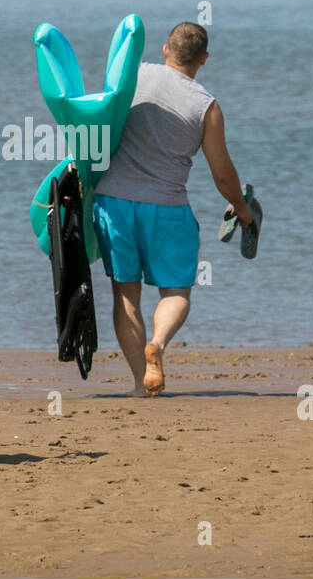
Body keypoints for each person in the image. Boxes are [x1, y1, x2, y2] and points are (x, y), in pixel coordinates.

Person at [91, 22, 253, 396]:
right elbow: (223, 174)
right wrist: (240, 208)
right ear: (204, 59)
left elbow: (97, 122)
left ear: (165, 50)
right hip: (167, 207)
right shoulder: (206, 105)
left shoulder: (132, 76)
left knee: (126, 295)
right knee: (176, 291)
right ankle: (158, 345)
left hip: (113, 202)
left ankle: (139, 384)